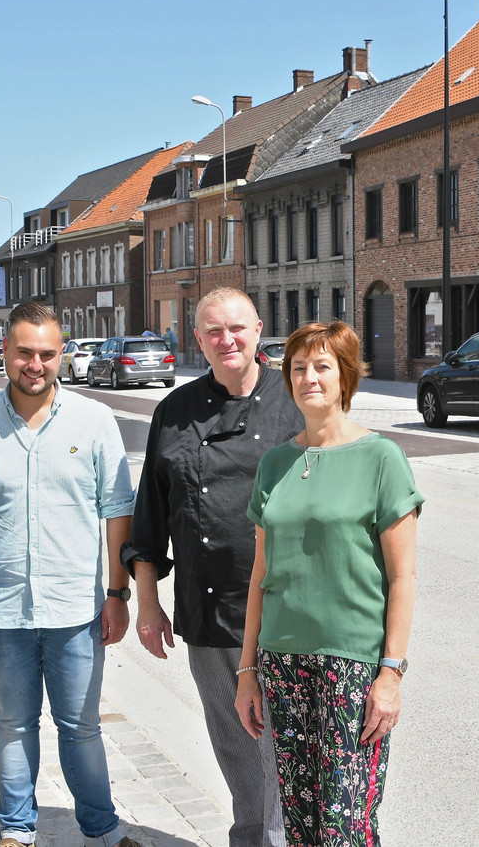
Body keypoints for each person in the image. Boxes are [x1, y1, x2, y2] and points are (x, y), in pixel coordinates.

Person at [0, 302, 141, 847]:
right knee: (13, 724)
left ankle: (102, 832)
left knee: (81, 727)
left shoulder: (95, 421)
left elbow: (116, 510)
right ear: (5, 352)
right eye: (23, 353)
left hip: (75, 608)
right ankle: (17, 830)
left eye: (45, 353)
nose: (34, 364)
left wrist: (118, 593)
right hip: (1, 607)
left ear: (62, 354)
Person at [122, 287, 301, 847]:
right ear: (197, 340)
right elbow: (150, 515)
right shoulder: (173, 412)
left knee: (282, 746)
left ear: (258, 331)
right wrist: (148, 603)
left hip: (285, 609)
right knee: (234, 745)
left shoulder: (294, 401)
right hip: (206, 609)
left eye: (237, 328)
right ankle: (250, 838)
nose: (227, 340)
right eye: (213, 331)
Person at [234, 321, 423, 847]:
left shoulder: (381, 458)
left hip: (352, 668)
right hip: (282, 661)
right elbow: (260, 577)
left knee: (346, 826)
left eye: (322, 366)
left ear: (345, 376)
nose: (308, 378)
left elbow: (403, 576)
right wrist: (247, 672)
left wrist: (391, 673)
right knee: (299, 825)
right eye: (298, 368)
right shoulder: (275, 463)